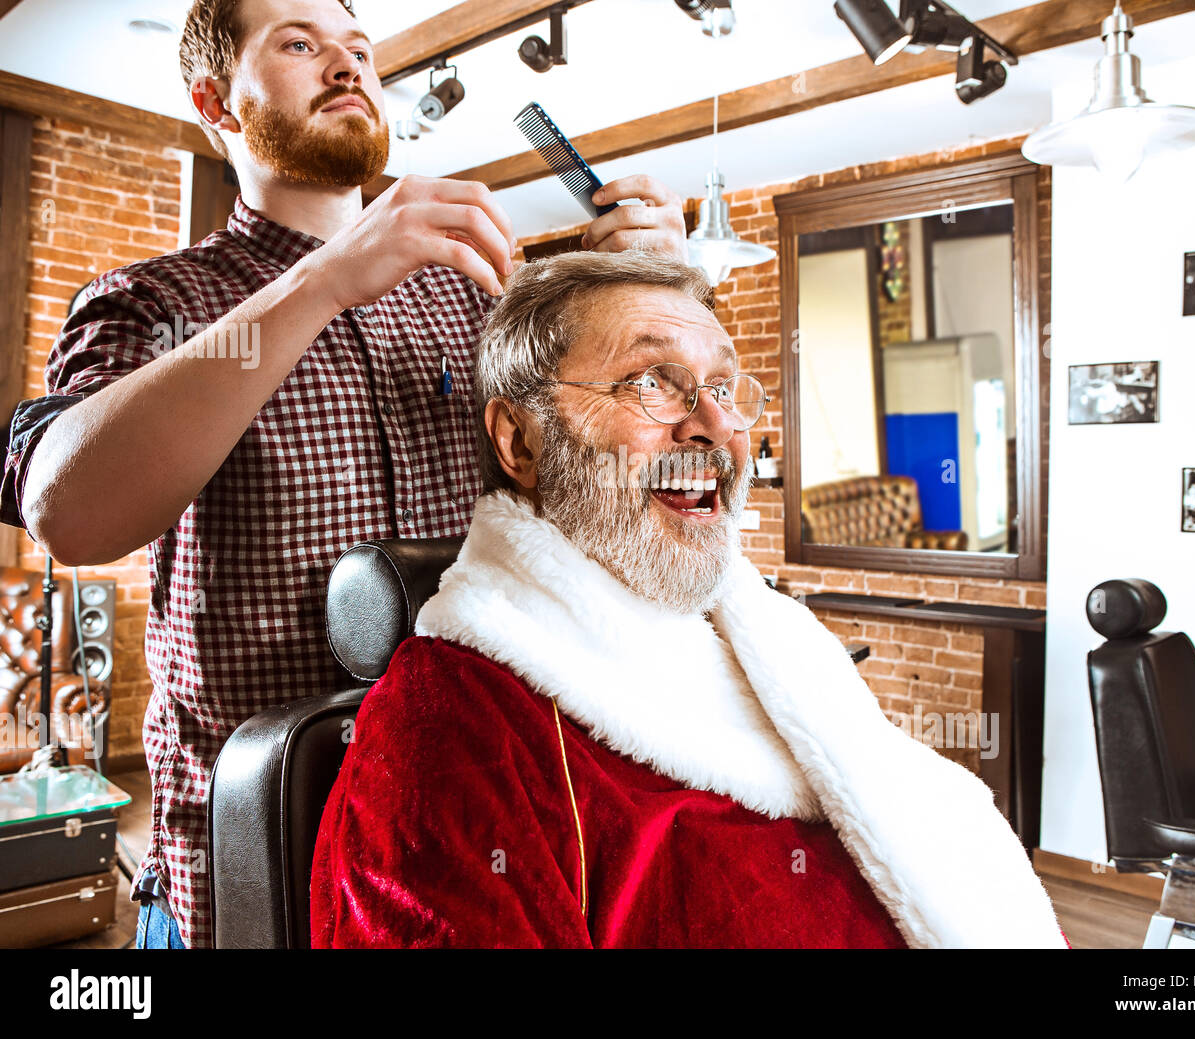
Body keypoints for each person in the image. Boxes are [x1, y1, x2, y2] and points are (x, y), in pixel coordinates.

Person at [0, 0, 686, 949]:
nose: (346, 65)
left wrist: (647, 316)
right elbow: (68, 514)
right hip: (251, 866)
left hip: (461, 844)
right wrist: (324, 279)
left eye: (360, 49)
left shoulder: (473, 297)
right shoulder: (153, 302)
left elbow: (602, 504)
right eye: (298, 43)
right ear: (216, 102)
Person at [310, 252, 1069, 949]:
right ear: (521, 441)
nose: (715, 426)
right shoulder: (451, 731)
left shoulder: (768, 648)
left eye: (723, 387)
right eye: (651, 381)